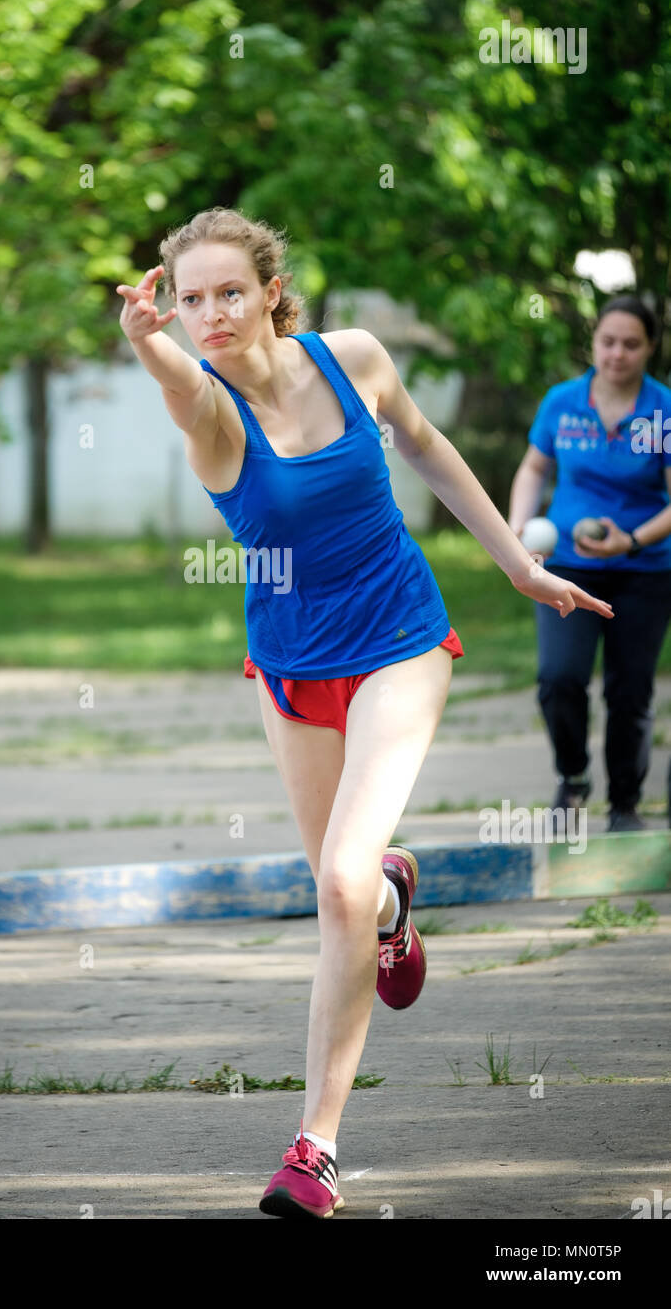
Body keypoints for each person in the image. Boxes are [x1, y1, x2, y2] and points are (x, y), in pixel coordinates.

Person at [116, 206, 613, 1220]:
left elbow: (424, 446)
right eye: (188, 298)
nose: (207, 314)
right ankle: (390, 904)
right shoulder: (209, 411)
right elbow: (177, 380)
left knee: (334, 881)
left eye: (226, 292)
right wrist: (145, 344)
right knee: (342, 891)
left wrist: (517, 561)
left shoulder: (353, 359)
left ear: (267, 291)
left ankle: (315, 1146)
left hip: (398, 636)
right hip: (291, 666)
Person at [509, 296, 671, 834]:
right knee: (559, 678)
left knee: (630, 691)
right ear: (593, 343)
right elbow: (534, 468)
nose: (617, 354)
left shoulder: (661, 410)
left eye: (631, 344)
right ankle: (572, 777)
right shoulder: (562, 403)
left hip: (644, 570)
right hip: (567, 570)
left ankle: (625, 804)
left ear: (650, 348)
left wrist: (631, 540)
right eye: (608, 342)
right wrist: (517, 529)